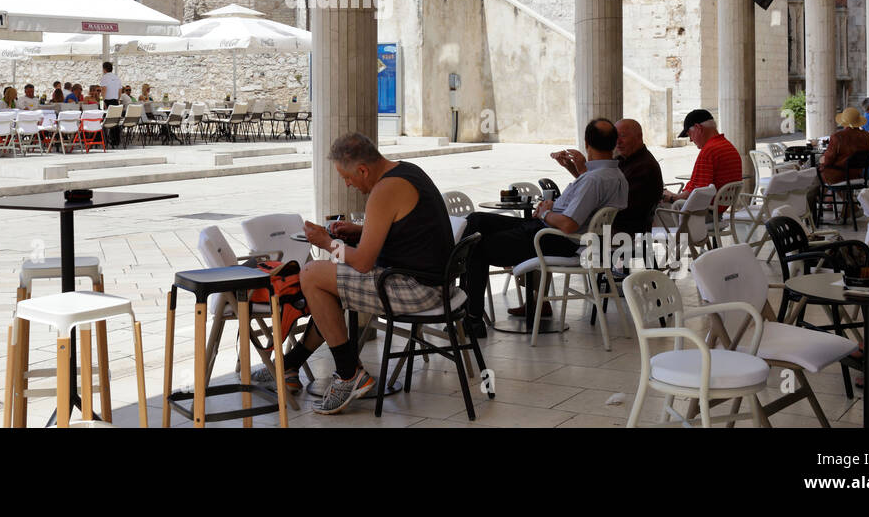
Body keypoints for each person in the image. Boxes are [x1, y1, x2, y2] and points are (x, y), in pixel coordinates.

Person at [263, 133, 453, 414]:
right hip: (435, 284)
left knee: (312, 275)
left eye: (347, 178)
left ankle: (348, 373)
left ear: (363, 169)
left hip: (417, 290)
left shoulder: (384, 190)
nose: (348, 184)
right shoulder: (407, 171)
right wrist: (361, 231)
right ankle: (290, 363)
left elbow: (363, 262)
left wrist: (326, 243)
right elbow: (404, 230)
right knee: (325, 288)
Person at [462, 119, 629, 336]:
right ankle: (461, 296)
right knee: (476, 220)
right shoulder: (616, 177)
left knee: (475, 246)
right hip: (556, 234)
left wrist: (545, 212)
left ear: (587, 143)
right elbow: (589, 199)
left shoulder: (594, 180)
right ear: (614, 143)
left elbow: (569, 225)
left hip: (555, 238)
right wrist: (573, 171)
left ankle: (470, 318)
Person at [553, 117, 663, 239]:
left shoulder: (644, 167)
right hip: (608, 230)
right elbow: (599, 187)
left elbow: (608, 199)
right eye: (616, 137)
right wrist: (572, 168)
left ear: (639, 136)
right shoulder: (622, 161)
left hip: (620, 233)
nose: (618, 142)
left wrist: (546, 213)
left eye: (623, 136)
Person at [663, 109, 744, 204]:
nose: (691, 140)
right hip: (717, 210)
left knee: (656, 208)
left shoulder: (709, 151)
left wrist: (671, 198)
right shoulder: (729, 146)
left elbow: (696, 194)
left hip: (701, 213)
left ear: (698, 128)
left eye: (690, 134)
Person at [818, 107, 869, 185]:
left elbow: (828, 161)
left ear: (843, 122)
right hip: (858, 174)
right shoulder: (867, 136)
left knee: (816, 171)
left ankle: (820, 196)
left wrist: (821, 160)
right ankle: (841, 197)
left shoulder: (837, 137)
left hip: (838, 176)